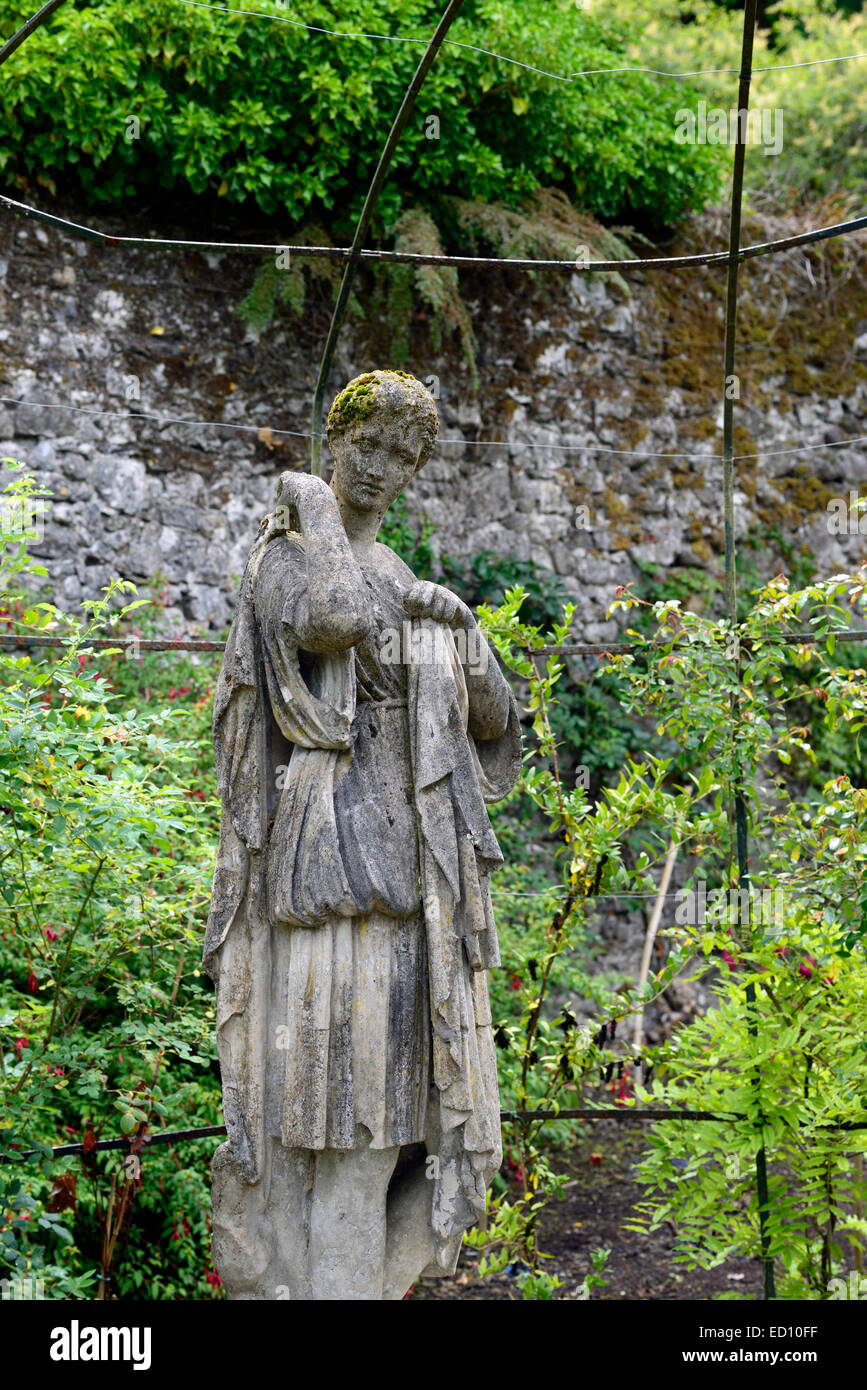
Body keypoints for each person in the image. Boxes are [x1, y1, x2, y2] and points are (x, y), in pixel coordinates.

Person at [204, 370, 522, 1299]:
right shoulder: (289, 557)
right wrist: (309, 501)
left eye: (401, 455)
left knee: (399, 1136)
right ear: (333, 440)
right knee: (342, 1130)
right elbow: (331, 624)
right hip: (332, 872)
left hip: (412, 876)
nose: (379, 467)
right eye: (366, 445)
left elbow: (492, 726)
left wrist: (465, 636)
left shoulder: (398, 576)